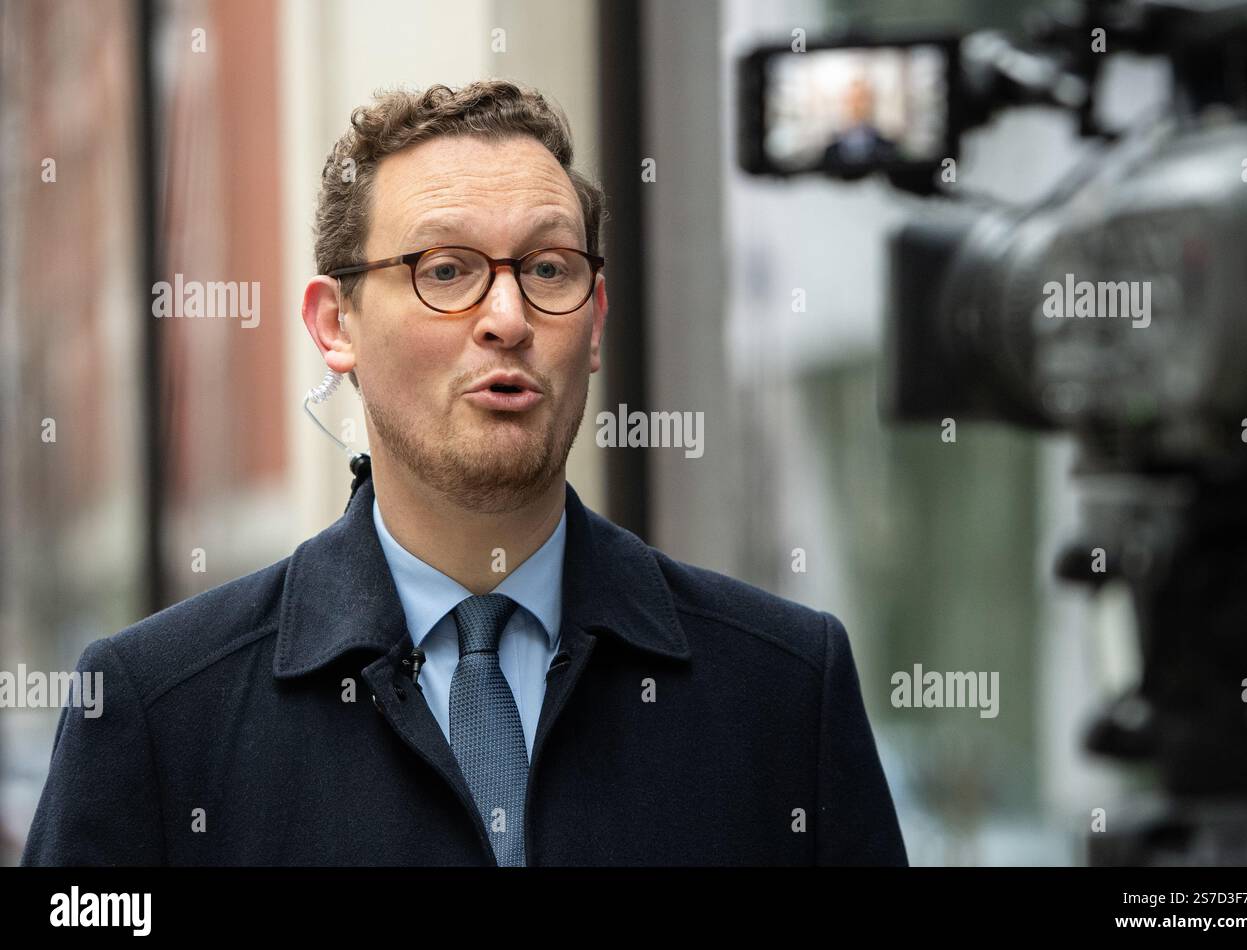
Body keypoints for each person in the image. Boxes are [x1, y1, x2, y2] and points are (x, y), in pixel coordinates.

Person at [21, 80, 907, 866]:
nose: (508, 318)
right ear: (336, 325)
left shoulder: (784, 687)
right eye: (446, 270)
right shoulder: (158, 713)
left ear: (594, 323)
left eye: (549, 268)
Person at [822, 75, 901, 171]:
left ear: (871, 103)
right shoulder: (830, 151)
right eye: (852, 100)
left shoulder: (888, 148)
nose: (856, 106)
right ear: (845, 103)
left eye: (862, 99)